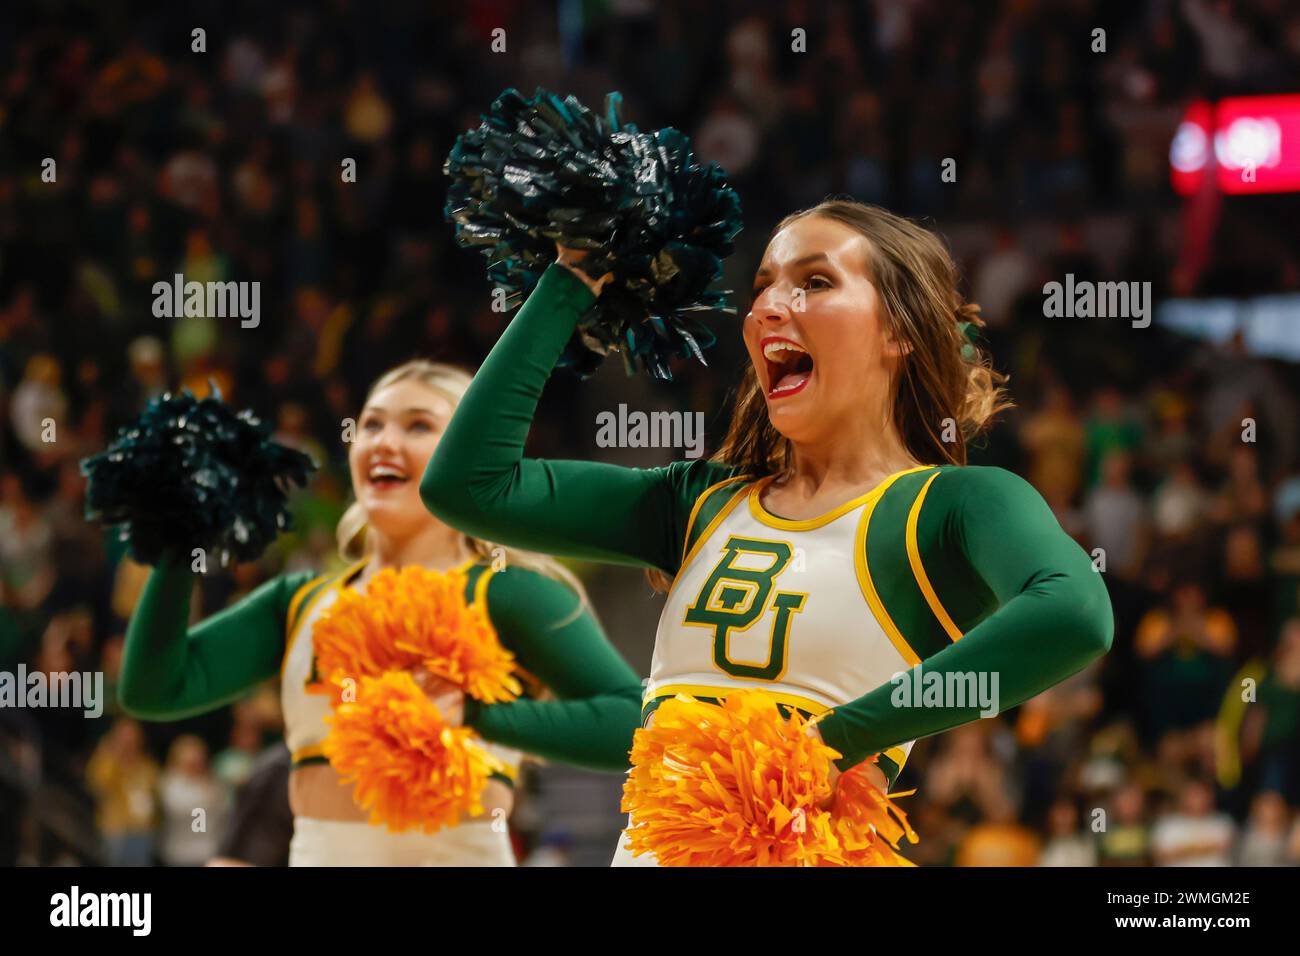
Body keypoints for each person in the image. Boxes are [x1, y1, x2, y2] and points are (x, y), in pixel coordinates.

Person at [422, 198, 1114, 866]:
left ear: (899, 330)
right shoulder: (697, 501)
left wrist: (836, 742)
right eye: (763, 287)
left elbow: (1075, 615)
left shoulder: (949, 506)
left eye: (815, 281)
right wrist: (568, 280)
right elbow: (468, 485)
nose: (769, 307)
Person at [118, 361, 642, 865]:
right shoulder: (301, 601)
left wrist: (478, 715)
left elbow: (633, 723)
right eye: (371, 425)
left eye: (418, 425)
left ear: (466, 455)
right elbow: (155, 689)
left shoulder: (506, 592)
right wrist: (178, 538)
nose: (383, 442)